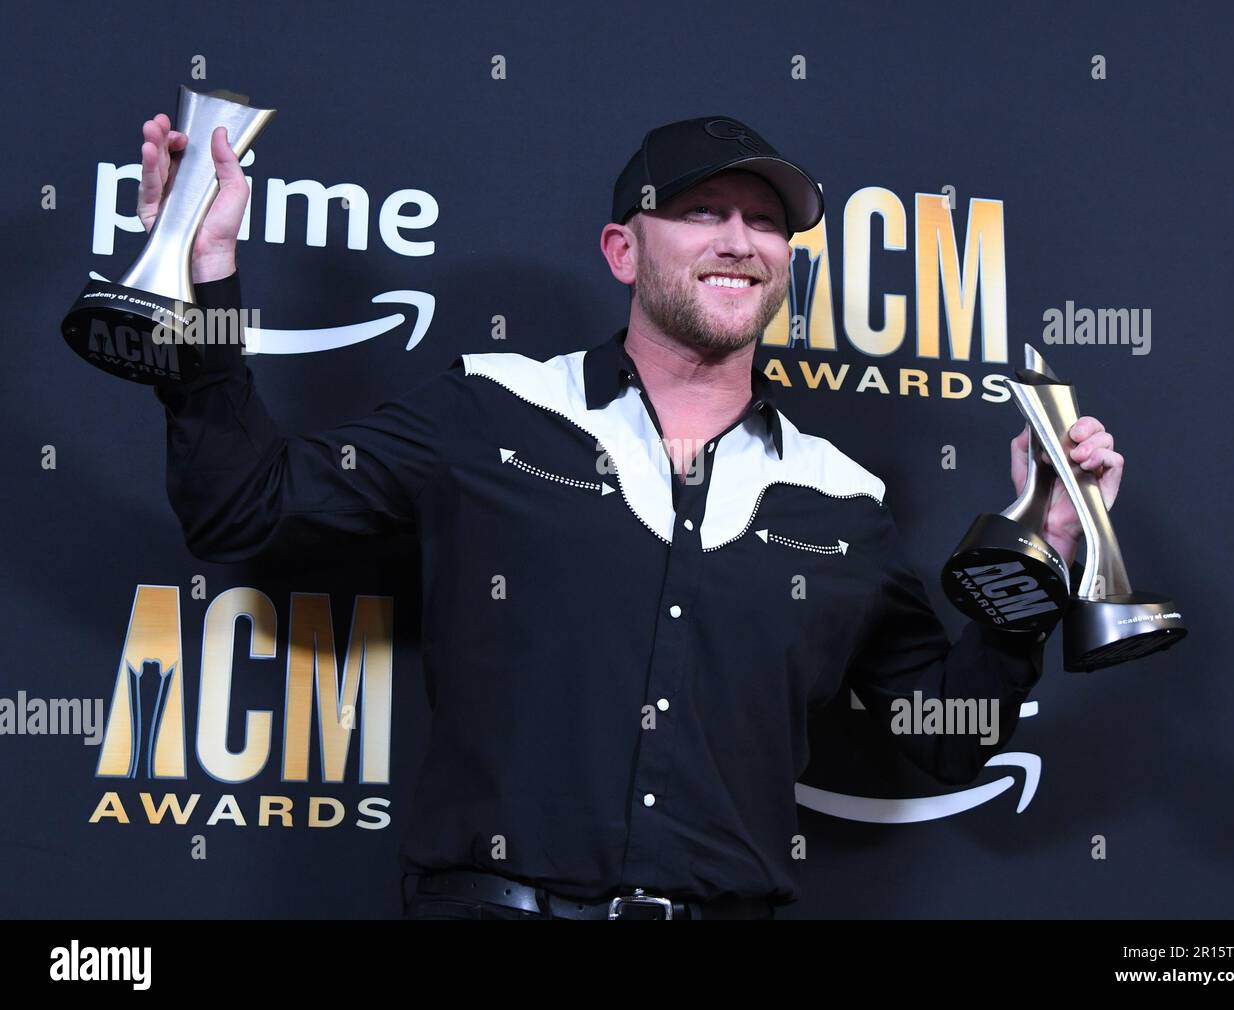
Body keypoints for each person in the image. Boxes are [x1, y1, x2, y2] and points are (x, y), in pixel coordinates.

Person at [139, 113, 1125, 920]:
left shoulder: (842, 497)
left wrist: (1043, 547)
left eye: (764, 222)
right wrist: (206, 274)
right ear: (622, 247)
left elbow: (943, 733)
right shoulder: (492, 405)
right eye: (701, 211)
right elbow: (242, 510)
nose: (738, 240)